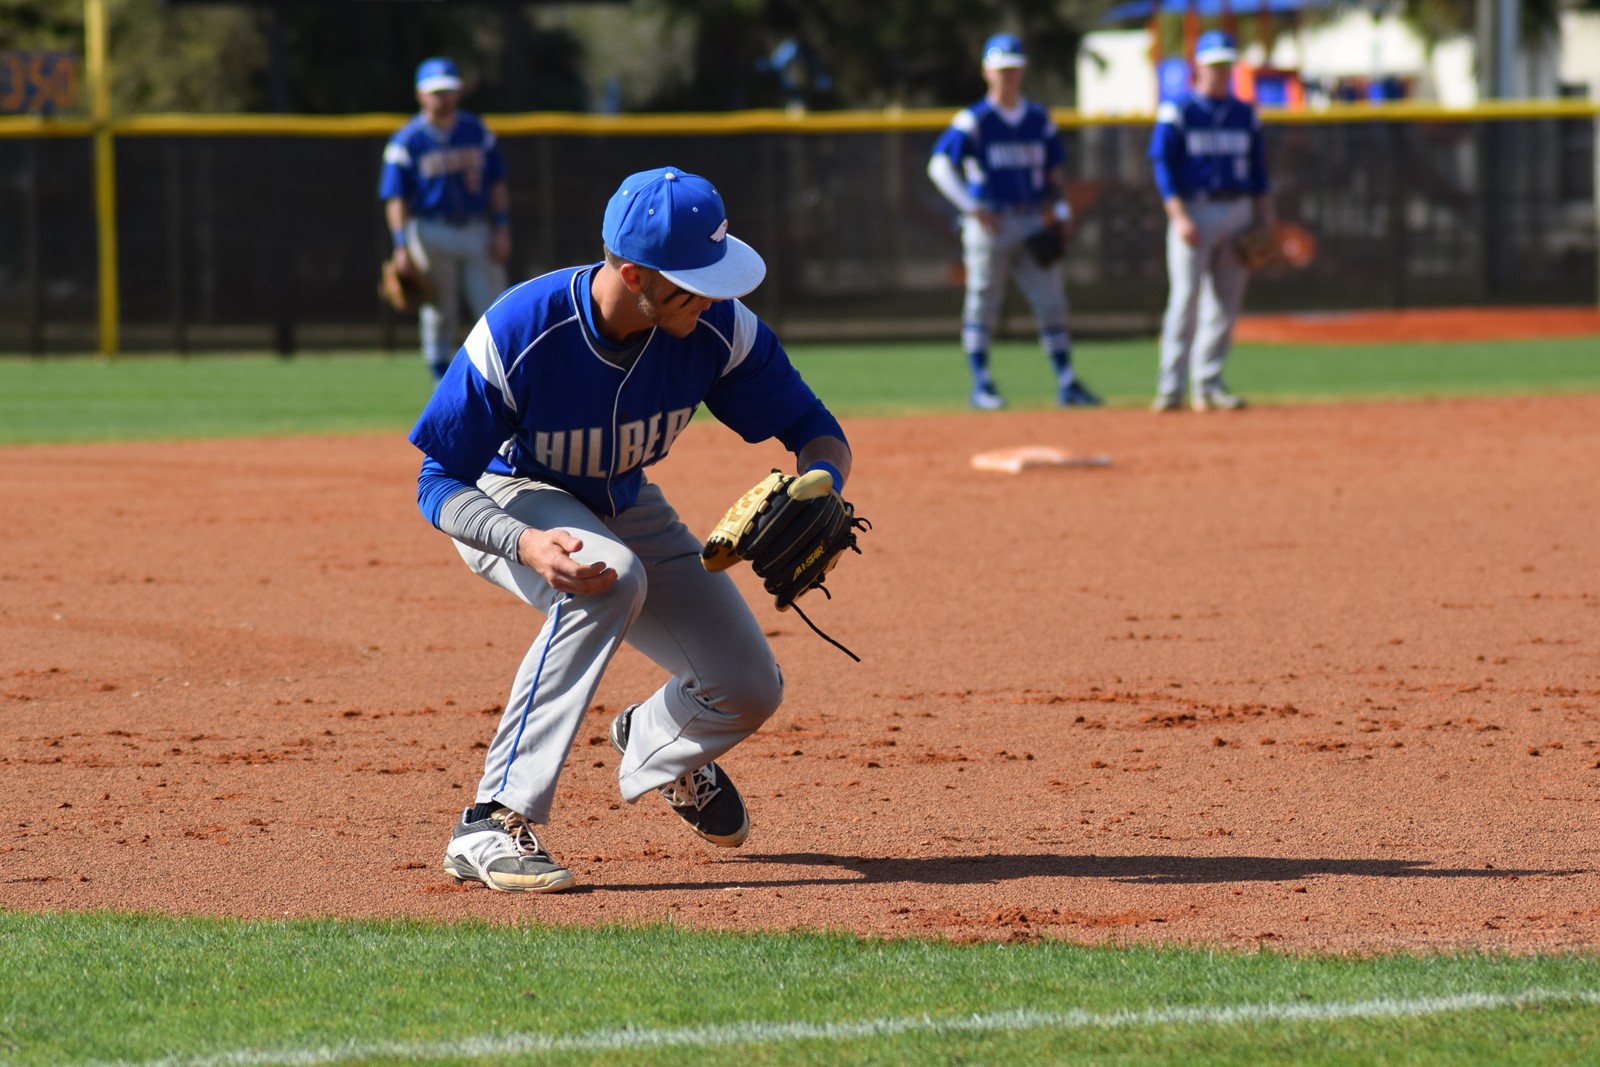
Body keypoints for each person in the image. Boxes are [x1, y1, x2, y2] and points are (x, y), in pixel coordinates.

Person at [407, 166, 854, 893]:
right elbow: (437, 481)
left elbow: (816, 428)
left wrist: (823, 481)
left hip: (623, 497)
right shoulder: (521, 329)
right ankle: (490, 819)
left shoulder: (715, 327)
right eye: (692, 278)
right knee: (608, 575)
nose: (712, 293)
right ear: (633, 272)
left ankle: (657, 745)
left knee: (745, 685)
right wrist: (522, 541)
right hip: (506, 491)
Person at [927, 32, 1101, 411]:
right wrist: (972, 207)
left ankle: (1067, 382)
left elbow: (1054, 172)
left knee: (1052, 302)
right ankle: (982, 383)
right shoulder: (974, 119)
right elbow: (939, 166)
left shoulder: (1038, 119)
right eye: (1000, 69)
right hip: (991, 223)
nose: (1007, 76)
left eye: (1013, 69)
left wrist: (1062, 213)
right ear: (987, 72)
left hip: (1034, 218)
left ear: (1022, 71)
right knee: (982, 302)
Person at [1148, 30, 1275, 412]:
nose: (1219, 71)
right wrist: (1179, 215)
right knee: (1185, 300)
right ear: (1198, 66)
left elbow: (1258, 171)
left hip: (1237, 210)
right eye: (1213, 64)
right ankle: (1171, 387)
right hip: (1194, 210)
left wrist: (1266, 217)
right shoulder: (1178, 111)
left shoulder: (1244, 113)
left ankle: (1209, 384)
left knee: (1226, 304)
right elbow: (1162, 165)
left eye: (1225, 64)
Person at [379, 57, 512, 381]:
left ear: (458, 92)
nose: (442, 97)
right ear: (420, 95)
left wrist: (502, 227)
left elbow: (497, 182)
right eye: (435, 91)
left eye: (448, 90)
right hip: (429, 230)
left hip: (476, 227)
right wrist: (400, 247)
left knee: (496, 308)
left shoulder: (476, 130)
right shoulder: (407, 140)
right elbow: (395, 198)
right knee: (441, 311)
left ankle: (501, 382)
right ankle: (440, 384)